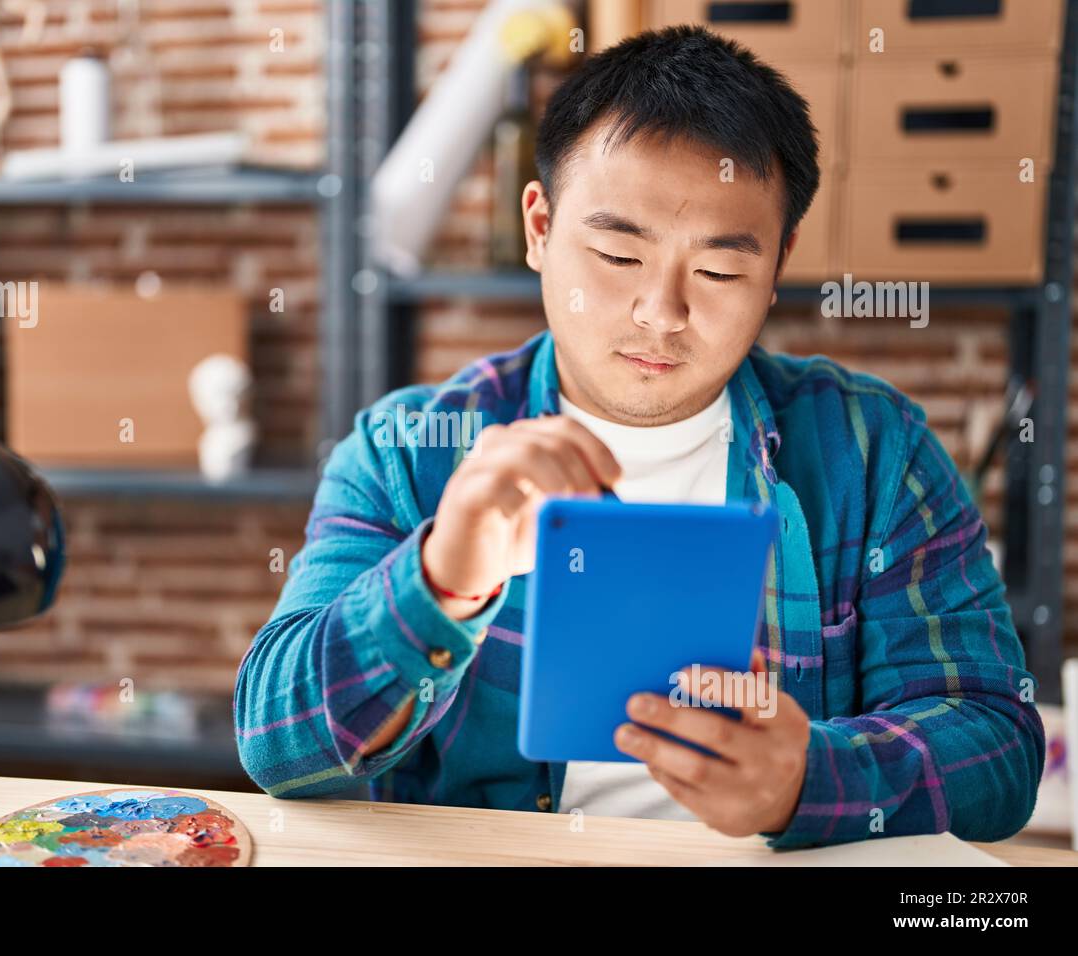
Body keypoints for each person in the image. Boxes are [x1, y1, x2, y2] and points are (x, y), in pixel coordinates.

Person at [233, 25, 1044, 848]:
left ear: (778, 266)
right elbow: (280, 749)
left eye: (721, 271)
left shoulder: (873, 450)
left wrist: (808, 780)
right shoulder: (411, 447)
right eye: (618, 253)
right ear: (540, 227)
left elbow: (998, 743)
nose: (663, 311)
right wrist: (442, 578)